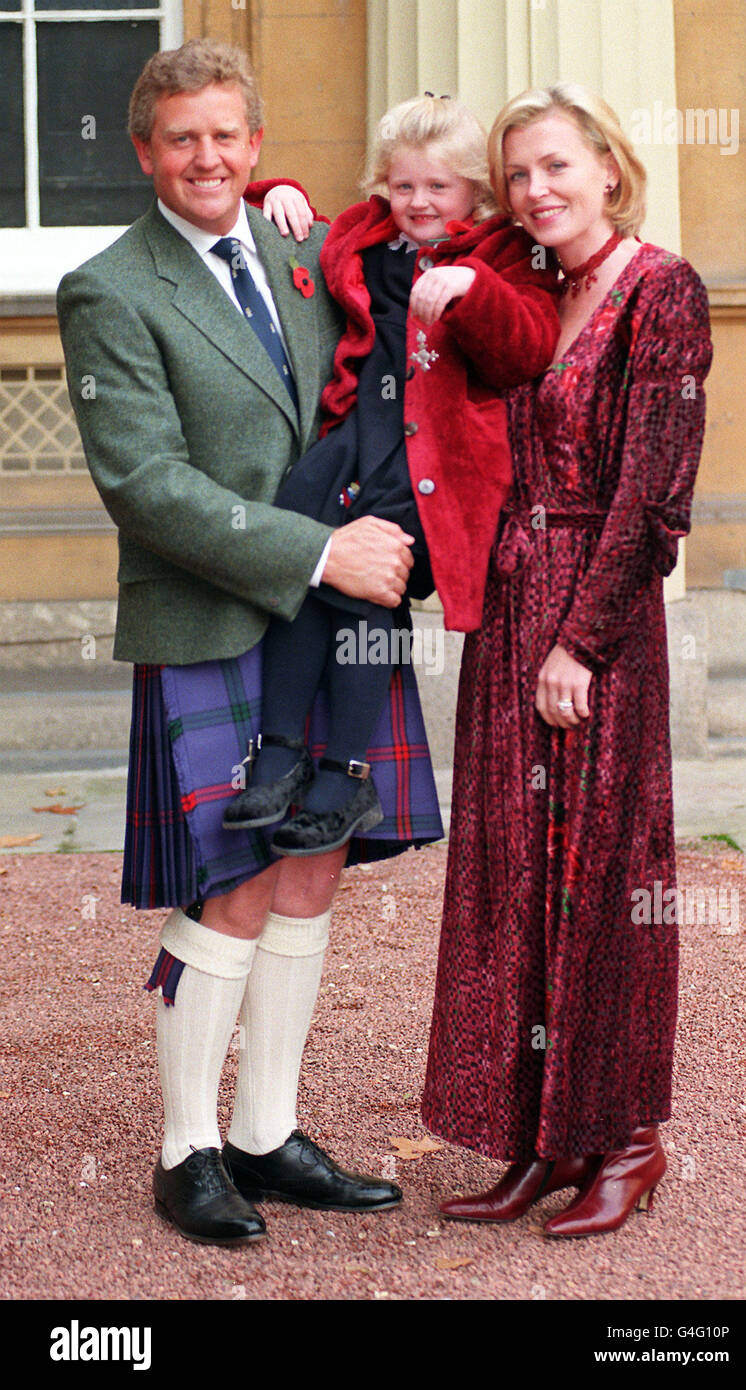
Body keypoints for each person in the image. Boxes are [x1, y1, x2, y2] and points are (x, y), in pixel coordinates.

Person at [57, 38, 441, 1247]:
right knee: (230, 875)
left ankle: (266, 1132)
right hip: (219, 608)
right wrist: (319, 552)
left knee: (313, 860)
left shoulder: (299, 246)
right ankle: (187, 1151)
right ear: (144, 153)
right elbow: (142, 482)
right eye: (182, 139)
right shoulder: (109, 287)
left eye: (227, 135)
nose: (207, 156)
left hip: (340, 624)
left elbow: (417, 258)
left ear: (257, 144)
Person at [421, 82, 713, 1237]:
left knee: (600, 879)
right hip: (505, 601)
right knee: (509, 880)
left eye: (553, 167)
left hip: (595, 620)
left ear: (604, 163)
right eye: (517, 177)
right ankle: (537, 1140)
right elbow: (394, 229)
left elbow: (652, 493)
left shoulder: (662, 289)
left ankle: (626, 1141)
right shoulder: (529, 289)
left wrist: (578, 645)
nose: (533, 192)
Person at [221, 95, 559, 856]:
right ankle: (280, 754)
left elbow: (527, 346)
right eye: (403, 187)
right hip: (355, 439)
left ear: (475, 191)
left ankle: (342, 771)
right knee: (306, 552)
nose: (418, 204)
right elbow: (269, 205)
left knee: (365, 575)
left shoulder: (505, 254)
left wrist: (476, 294)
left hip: (437, 465)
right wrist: (277, 194)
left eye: (438, 188)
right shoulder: (368, 232)